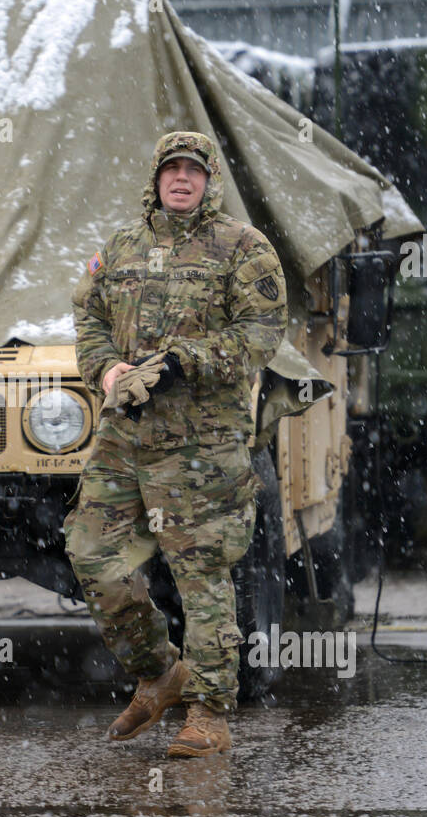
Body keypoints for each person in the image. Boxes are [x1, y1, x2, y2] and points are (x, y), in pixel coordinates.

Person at [65, 131, 287, 756]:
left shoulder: (244, 249)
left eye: (193, 170)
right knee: (92, 556)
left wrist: (186, 361)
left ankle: (210, 712)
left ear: (211, 179)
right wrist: (106, 370)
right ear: (157, 178)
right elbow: (88, 319)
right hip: (123, 435)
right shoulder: (122, 247)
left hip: (200, 442)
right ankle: (161, 672)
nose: (181, 179)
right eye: (171, 169)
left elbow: (262, 335)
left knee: (202, 575)